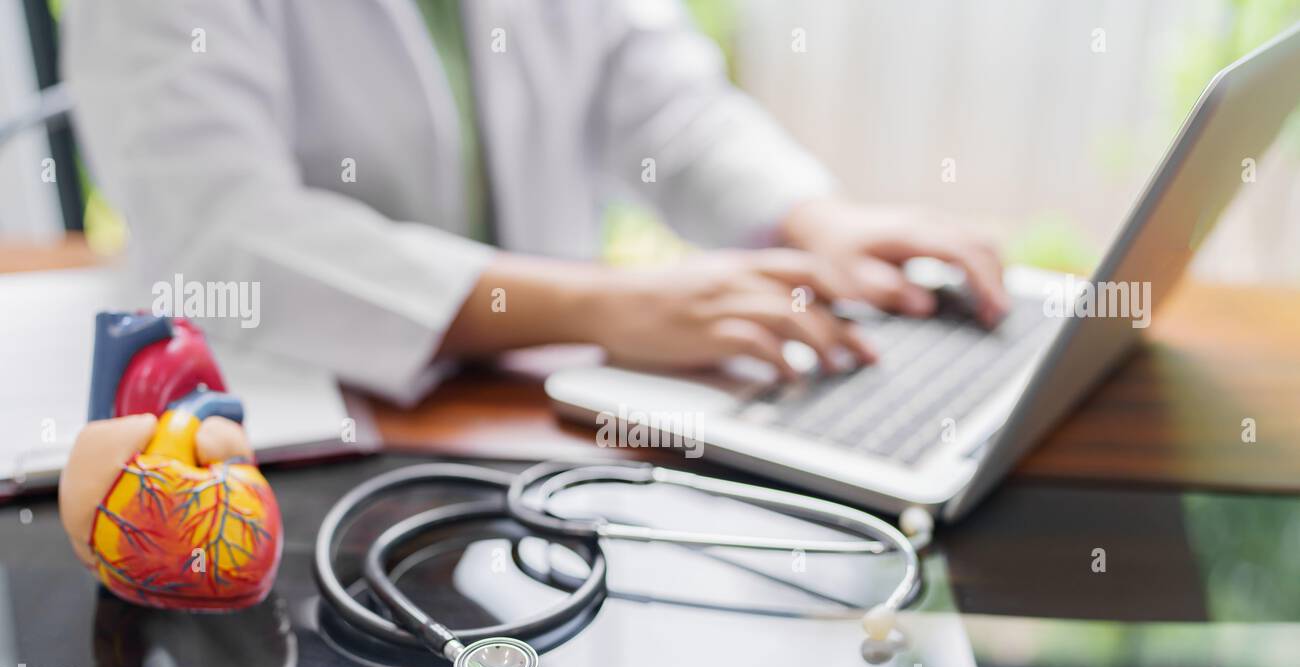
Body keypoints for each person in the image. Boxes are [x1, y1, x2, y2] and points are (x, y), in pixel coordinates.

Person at [63, 0, 1009, 406]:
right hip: (297, 434)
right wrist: (606, 306)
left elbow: (658, 100)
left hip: (531, 420)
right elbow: (223, 231)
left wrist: (810, 221)